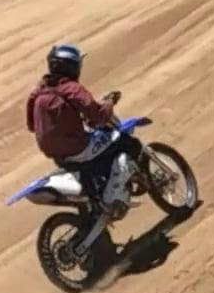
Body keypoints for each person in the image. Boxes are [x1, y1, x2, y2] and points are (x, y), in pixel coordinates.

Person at [26, 43, 135, 218]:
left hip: (55, 153)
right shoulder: (72, 89)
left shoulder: (37, 92)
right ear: (72, 67)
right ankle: (112, 197)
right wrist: (110, 102)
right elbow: (99, 115)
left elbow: (32, 126)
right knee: (124, 143)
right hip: (78, 147)